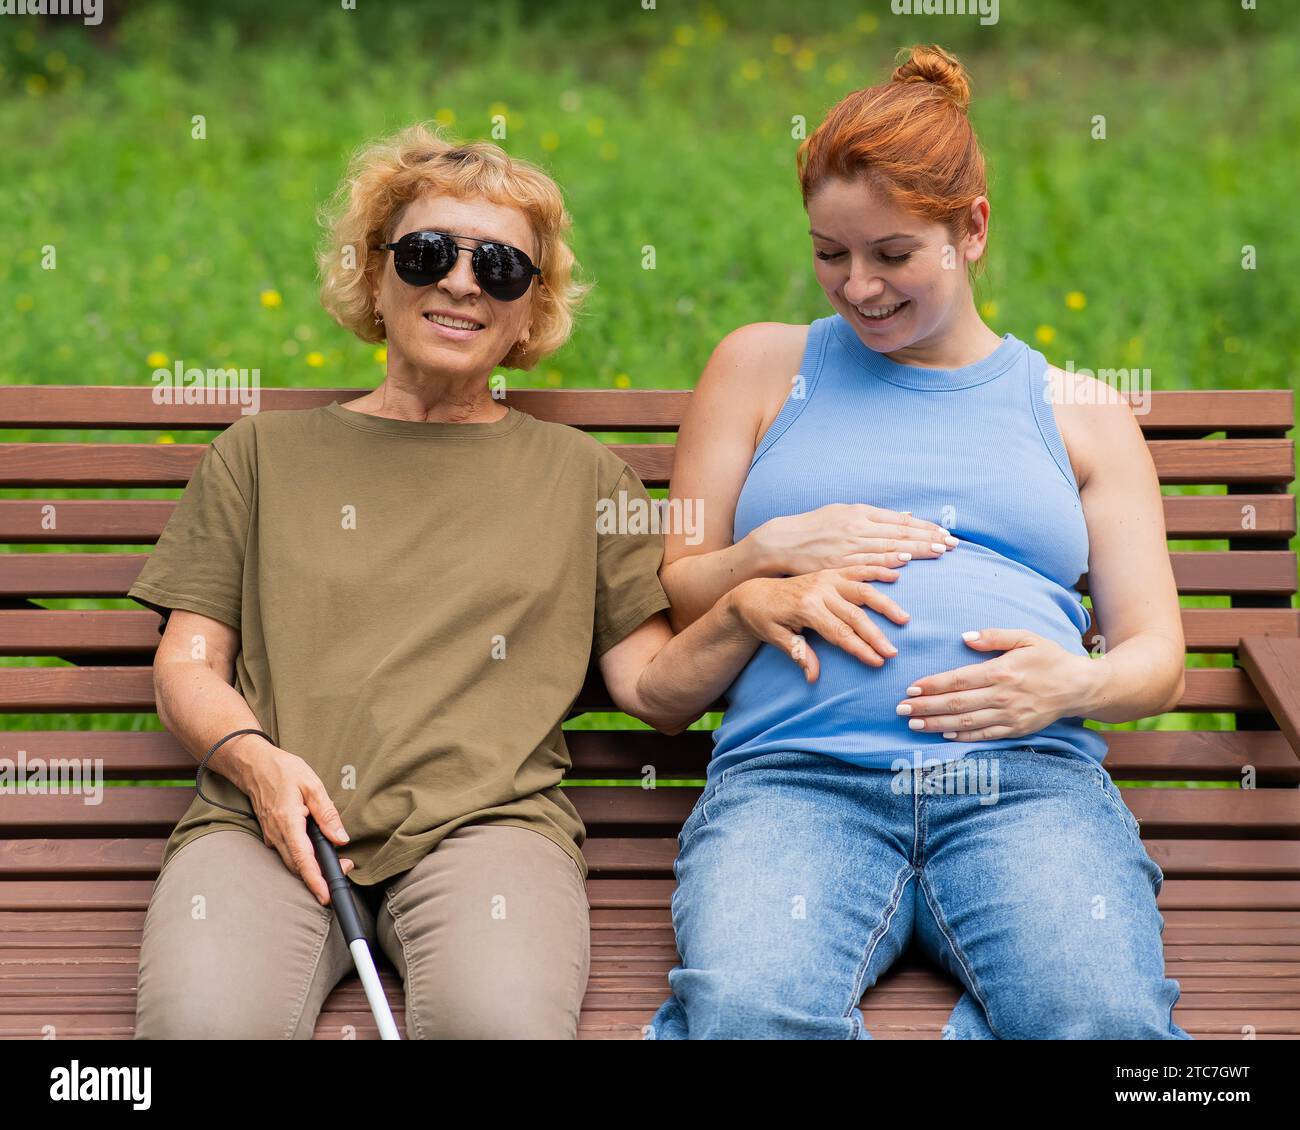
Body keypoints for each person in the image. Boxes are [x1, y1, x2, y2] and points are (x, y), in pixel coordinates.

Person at [128, 123, 845, 1039]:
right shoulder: (260, 455)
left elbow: (650, 691)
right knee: (200, 1030)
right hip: (266, 823)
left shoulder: (583, 478)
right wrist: (252, 761)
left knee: (498, 1026)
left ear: (529, 309)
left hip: (486, 832)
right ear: (374, 273)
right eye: (427, 253)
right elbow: (188, 664)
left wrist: (743, 599)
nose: (461, 282)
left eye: (501, 268)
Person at [646, 45, 1191, 1039]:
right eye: (829, 252)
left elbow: (1155, 656)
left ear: (970, 227)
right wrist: (768, 547)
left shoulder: (1079, 410)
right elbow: (683, 590)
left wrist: (1071, 684)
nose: (857, 287)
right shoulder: (759, 366)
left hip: (1021, 786)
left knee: (1100, 1022)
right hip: (800, 777)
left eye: (892, 254)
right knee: (742, 1015)